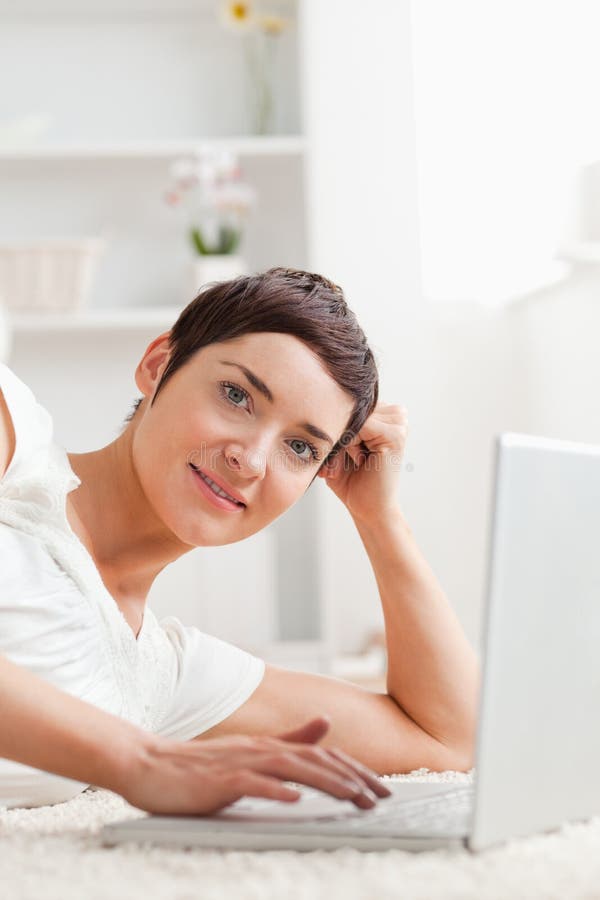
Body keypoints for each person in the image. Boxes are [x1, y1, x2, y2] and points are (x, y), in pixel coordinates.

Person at [0, 267, 478, 812]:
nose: (250, 460)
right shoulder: (15, 444)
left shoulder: (161, 676)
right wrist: (136, 762)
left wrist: (381, 519)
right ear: (158, 365)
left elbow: (447, 739)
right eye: (236, 395)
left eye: (300, 448)